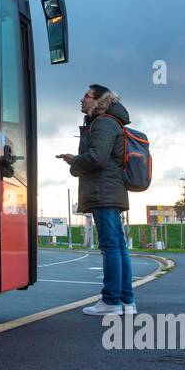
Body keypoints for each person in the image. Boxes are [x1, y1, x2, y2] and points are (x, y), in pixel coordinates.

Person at [58, 85, 136, 316]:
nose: (81, 99)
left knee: (111, 247)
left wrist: (74, 160)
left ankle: (111, 302)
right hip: (110, 190)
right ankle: (126, 301)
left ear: (99, 101)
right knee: (119, 248)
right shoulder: (111, 122)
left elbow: (97, 158)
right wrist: (77, 164)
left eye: (86, 96)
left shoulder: (102, 122)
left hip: (104, 192)